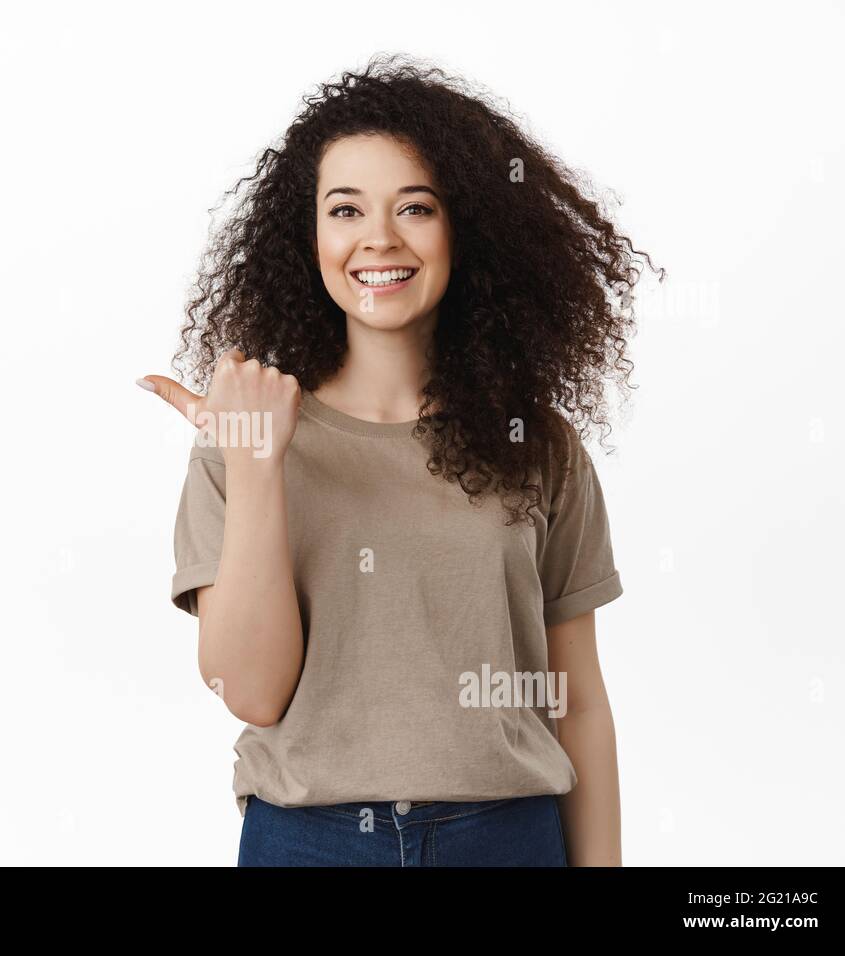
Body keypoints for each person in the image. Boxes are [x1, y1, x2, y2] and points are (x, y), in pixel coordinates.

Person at [138, 54, 661, 867]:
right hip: (305, 842)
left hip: (507, 839)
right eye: (345, 209)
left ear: (467, 227)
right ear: (307, 234)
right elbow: (252, 692)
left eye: (415, 207)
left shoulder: (541, 449)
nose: (377, 238)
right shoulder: (242, 438)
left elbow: (579, 702)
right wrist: (257, 466)